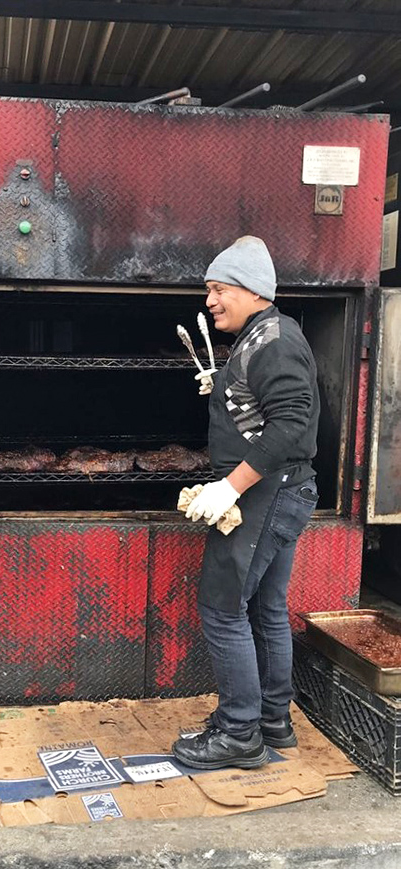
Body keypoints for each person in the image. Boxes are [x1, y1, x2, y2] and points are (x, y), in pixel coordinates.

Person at [172, 236, 320, 771]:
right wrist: (227, 388)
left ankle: (239, 733)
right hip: (283, 491)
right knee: (266, 609)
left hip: (265, 495)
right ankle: (272, 721)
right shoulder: (262, 336)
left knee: (221, 607)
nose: (209, 300)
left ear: (253, 290)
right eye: (209, 290)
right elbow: (269, 407)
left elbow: (291, 423)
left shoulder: (274, 341)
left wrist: (230, 487)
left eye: (218, 289)